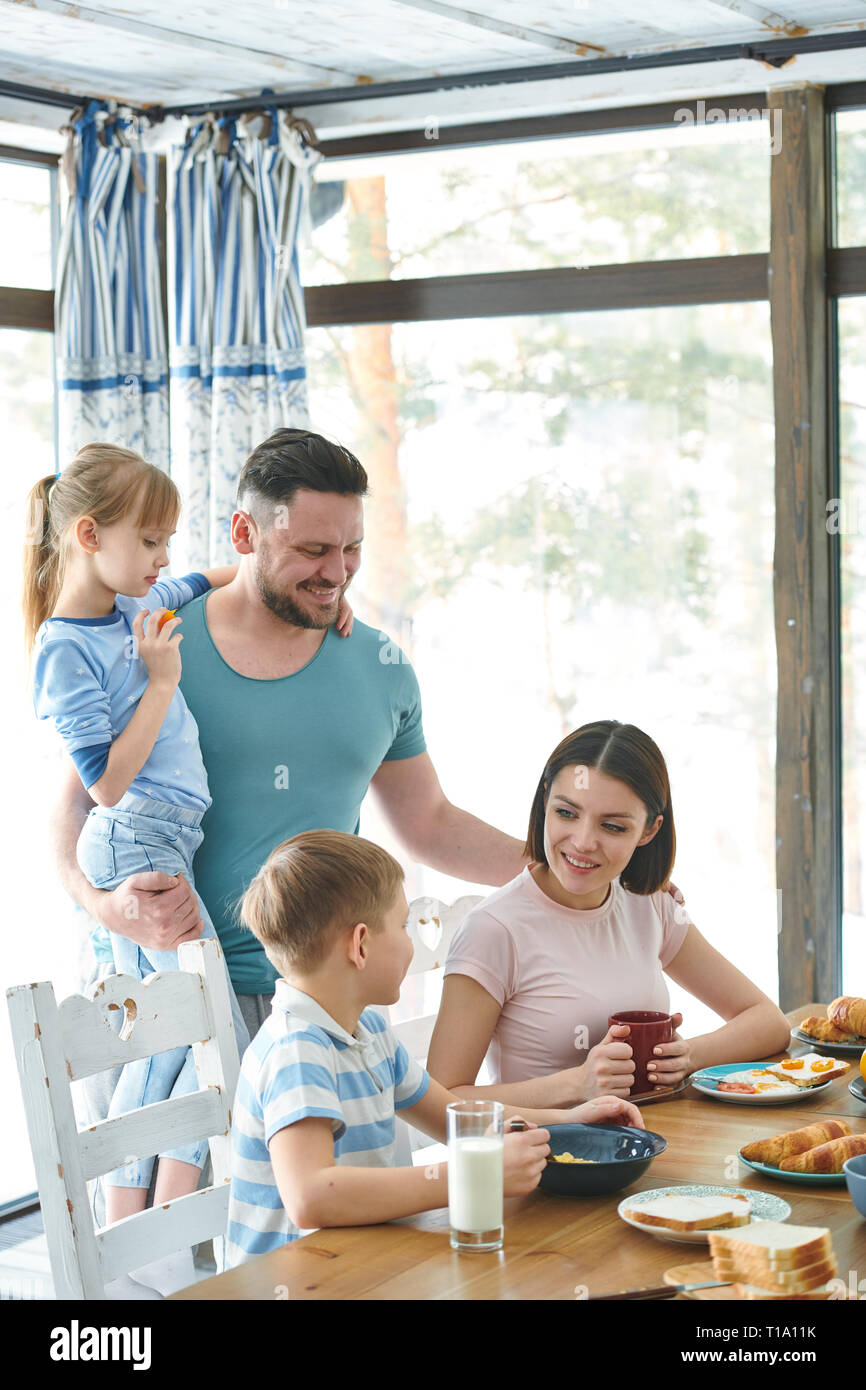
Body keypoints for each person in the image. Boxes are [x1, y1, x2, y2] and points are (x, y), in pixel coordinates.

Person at [49, 428, 547, 1053]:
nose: (337, 573)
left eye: (351, 549)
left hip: (335, 1005)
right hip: (168, 1005)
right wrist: (101, 905)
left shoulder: (381, 664)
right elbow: (78, 803)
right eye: (313, 549)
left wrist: (564, 869)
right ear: (244, 535)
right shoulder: (155, 641)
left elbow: (427, 823)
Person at [24, 443, 355, 1250]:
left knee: (181, 1036)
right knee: (202, 1031)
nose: (163, 560)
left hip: (165, 834)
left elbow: (209, 578)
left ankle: (152, 1226)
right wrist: (162, 680)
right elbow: (101, 785)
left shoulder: (133, 606)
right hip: (138, 836)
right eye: (150, 541)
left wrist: (326, 593)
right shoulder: (68, 648)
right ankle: (138, 1226)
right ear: (90, 537)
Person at [226, 829, 643, 1265]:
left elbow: (457, 1122)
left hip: (358, 1265)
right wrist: (475, 1175)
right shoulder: (296, 1051)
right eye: (404, 925)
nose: (411, 941)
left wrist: (570, 1121)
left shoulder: (367, 1031)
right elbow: (311, 1197)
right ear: (361, 944)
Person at [426, 720, 791, 1107]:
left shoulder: (650, 904)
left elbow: (769, 1022)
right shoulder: (493, 930)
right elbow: (442, 1103)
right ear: (544, 801)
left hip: (652, 1143)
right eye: (566, 813)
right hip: (544, 1159)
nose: (583, 842)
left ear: (649, 831)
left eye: (613, 826)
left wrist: (688, 1057)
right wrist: (577, 1085)